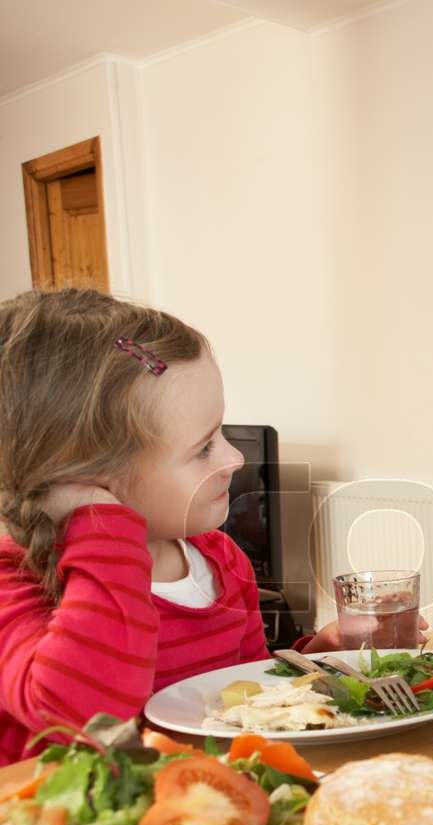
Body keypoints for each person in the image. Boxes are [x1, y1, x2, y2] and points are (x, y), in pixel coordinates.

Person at [0, 289, 340, 765]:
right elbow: (86, 716)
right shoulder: (14, 579)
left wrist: (318, 658)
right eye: (203, 448)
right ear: (85, 481)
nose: (234, 458)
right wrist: (98, 525)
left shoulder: (220, 559)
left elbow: (240, 700)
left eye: (222, 432)